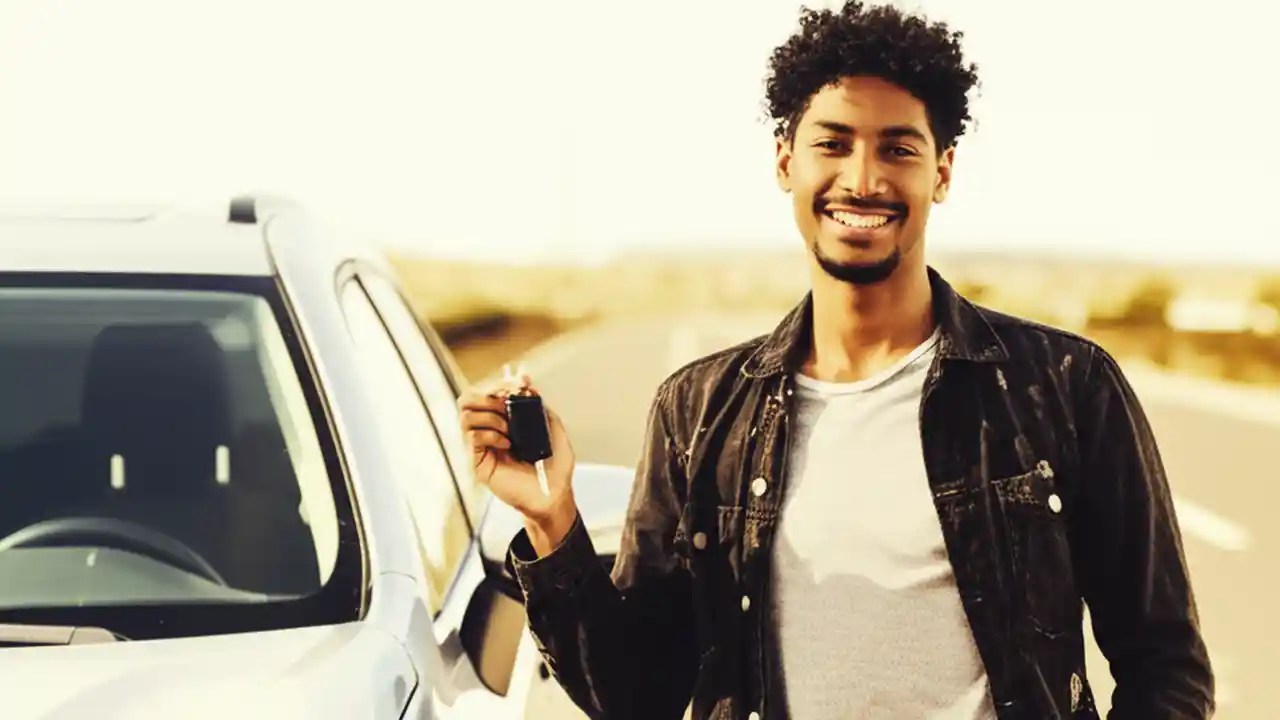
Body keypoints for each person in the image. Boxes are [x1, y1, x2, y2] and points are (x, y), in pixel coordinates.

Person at [457, 2, 1214, 717]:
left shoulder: (1065, 388)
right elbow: (638, 697)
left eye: (898, 148)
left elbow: (1164, 662)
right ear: (786, 162)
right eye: (833, 143)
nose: (862, 179)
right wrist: (554, 523)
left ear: (941, 172)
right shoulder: (697, 412)